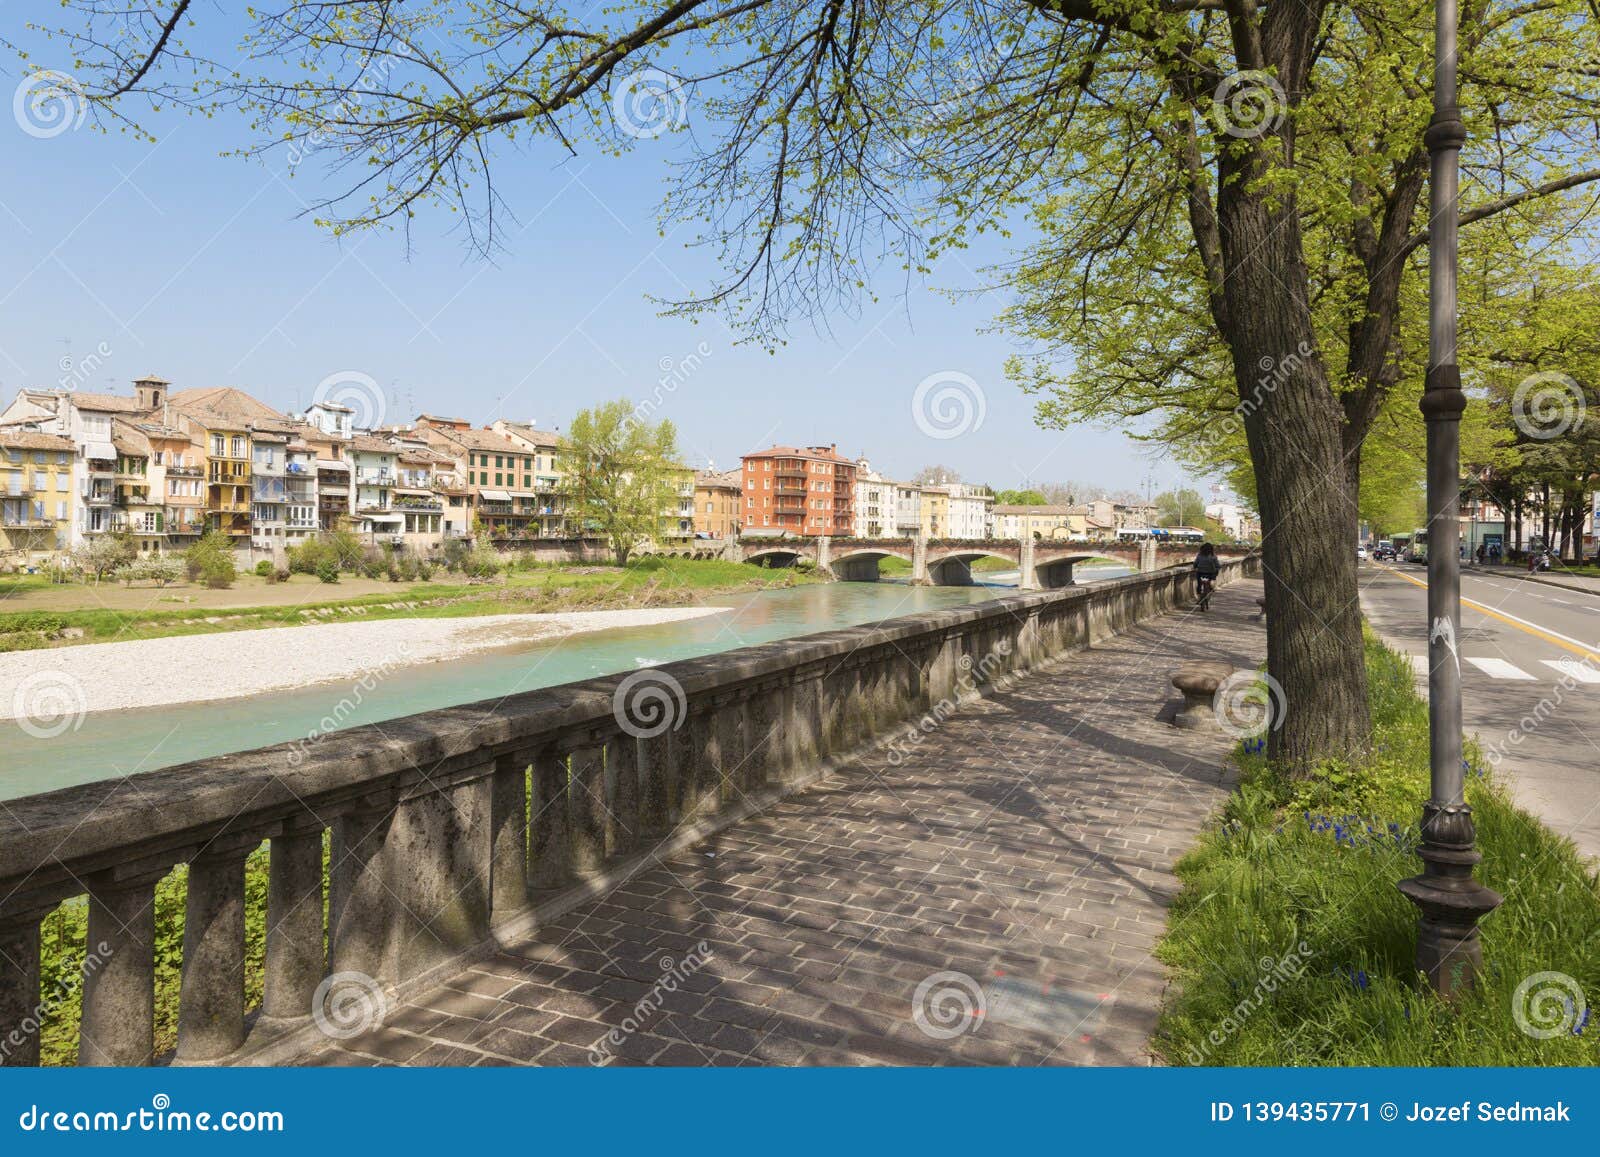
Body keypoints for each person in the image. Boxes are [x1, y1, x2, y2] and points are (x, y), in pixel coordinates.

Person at [1193, 542, 1221, 611]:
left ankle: (1199, 598)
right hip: (1210, 574)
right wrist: (1217, 568)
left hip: (1200, 573)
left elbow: (1196, 563)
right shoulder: (1213, 556)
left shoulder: (1199, 555)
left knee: (1199, 585)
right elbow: (1217, 565)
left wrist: (1195, 566)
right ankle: (1211, 589)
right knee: (1211, 584)